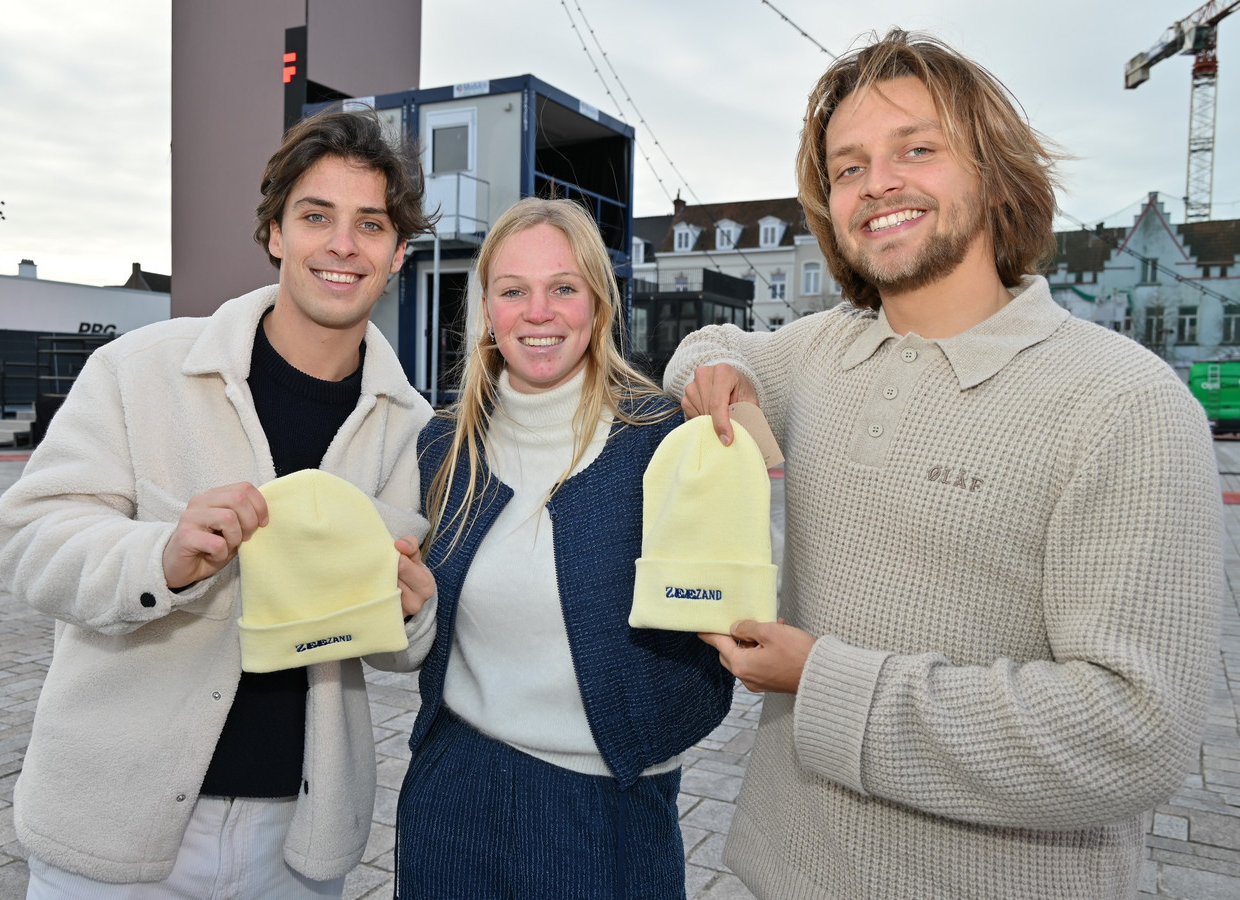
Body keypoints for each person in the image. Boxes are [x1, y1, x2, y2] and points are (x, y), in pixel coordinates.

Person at [668, 29, 1223, 900]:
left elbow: (1135, 731)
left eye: (916, 149)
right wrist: (715, 374)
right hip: (783, 872)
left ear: (995, 172)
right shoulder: (820, 353)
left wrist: (824, 682)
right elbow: (708, 342)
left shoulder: (1127, 404)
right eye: (848, 167)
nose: (878, 183)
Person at [0, 107, 439, 898]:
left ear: (398, 253)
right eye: (315, 216)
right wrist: (158, 555)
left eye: (370, 224)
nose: (341, 244)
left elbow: (396, 648)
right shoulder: (142, 370)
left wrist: (412, 614)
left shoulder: (415, 431)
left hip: (297, 842)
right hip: (112, 825)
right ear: (274, 233)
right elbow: (28, 538)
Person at [395, 197, 733, 898]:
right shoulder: (442, 448)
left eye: (563, 288)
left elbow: (734, 608)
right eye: (514, 291)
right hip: (455, 790)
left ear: (597, 304)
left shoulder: (662, 439)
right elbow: (411, 643)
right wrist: (409, 611)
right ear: (488, 310)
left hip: (608, 806)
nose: (538, 312)